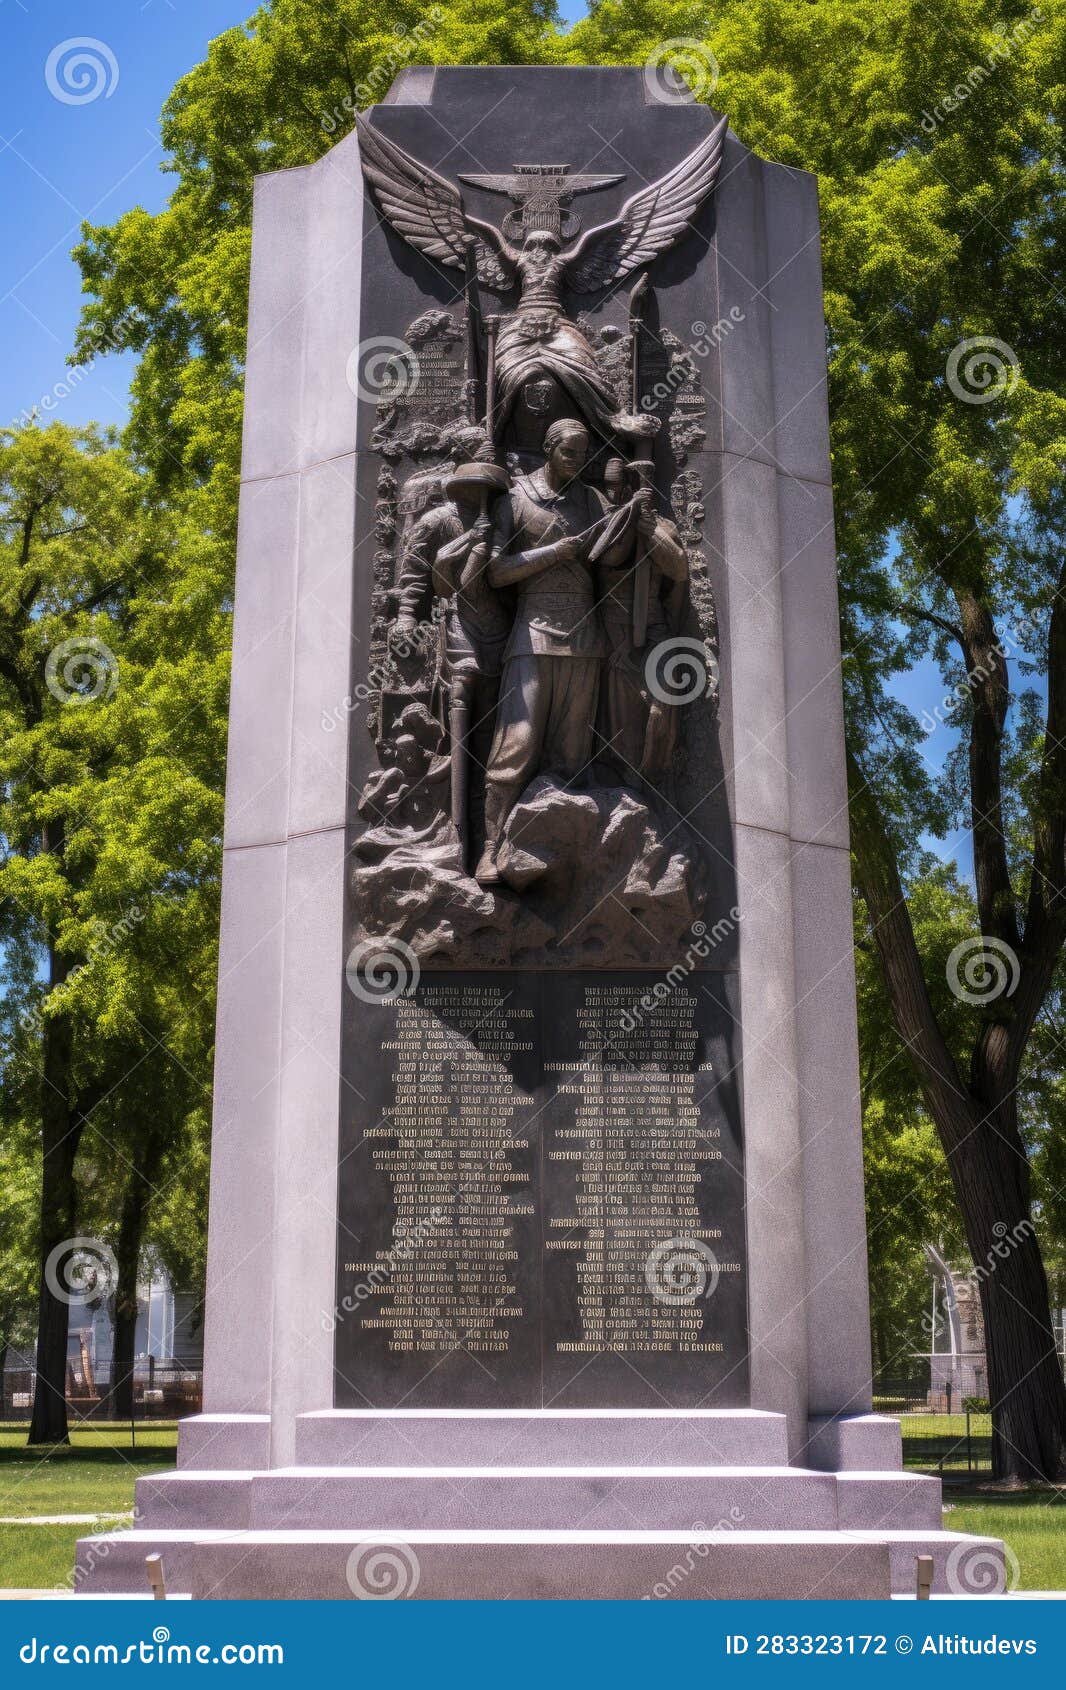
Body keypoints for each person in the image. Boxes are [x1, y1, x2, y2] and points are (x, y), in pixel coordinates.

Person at [475, 419, 632, 883]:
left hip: (585, 638)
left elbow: (613, 559)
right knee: (515, 747)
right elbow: (496, 571)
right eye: (569, 452)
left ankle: (555, 857)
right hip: (532, 632)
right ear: (548, 448)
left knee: (571, 755)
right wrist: (557, 553)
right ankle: (490, 849)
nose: (577, 460)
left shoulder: (592, 500)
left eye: (583, 454)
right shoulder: (515, 498)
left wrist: (630, 517)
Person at [393, 461, 511, 866]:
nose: (481, 495)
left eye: (488, 488)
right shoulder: (436, 522)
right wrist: (407, 616)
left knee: (497, 728)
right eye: (474, 487)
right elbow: (415, 577)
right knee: (460, 704)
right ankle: (456, 831)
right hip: (457, 622)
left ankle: (492, 835)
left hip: (500, 627)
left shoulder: (506, 517)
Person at [594, 458, 689, 783]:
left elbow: (678, 570)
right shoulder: (602, 523)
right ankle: (626, 780)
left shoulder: (661, 526)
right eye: (608, 485)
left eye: (620, 483)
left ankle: (652, 775)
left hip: (654, 627)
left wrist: (651, 533)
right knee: (623, 715)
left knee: (661, 701)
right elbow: (598, 561)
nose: (614, 491)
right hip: (614, 628)